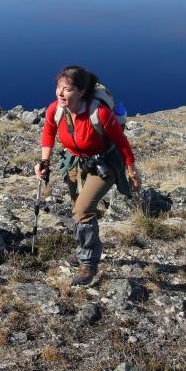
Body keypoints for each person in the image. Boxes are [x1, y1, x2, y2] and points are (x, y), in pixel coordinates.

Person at [34, 66, 141, 286]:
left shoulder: (99, 113)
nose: (60, 93)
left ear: (81, 91)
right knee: (78, 209)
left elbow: (122, 142)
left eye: (67, 89)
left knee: (82, 210)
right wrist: (44, 161)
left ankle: (88, 263)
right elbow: (48, 132)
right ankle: (84, 248)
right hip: (74, 162)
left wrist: (131, 171)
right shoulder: (55, 109)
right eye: (58, 87)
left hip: (103, 164)